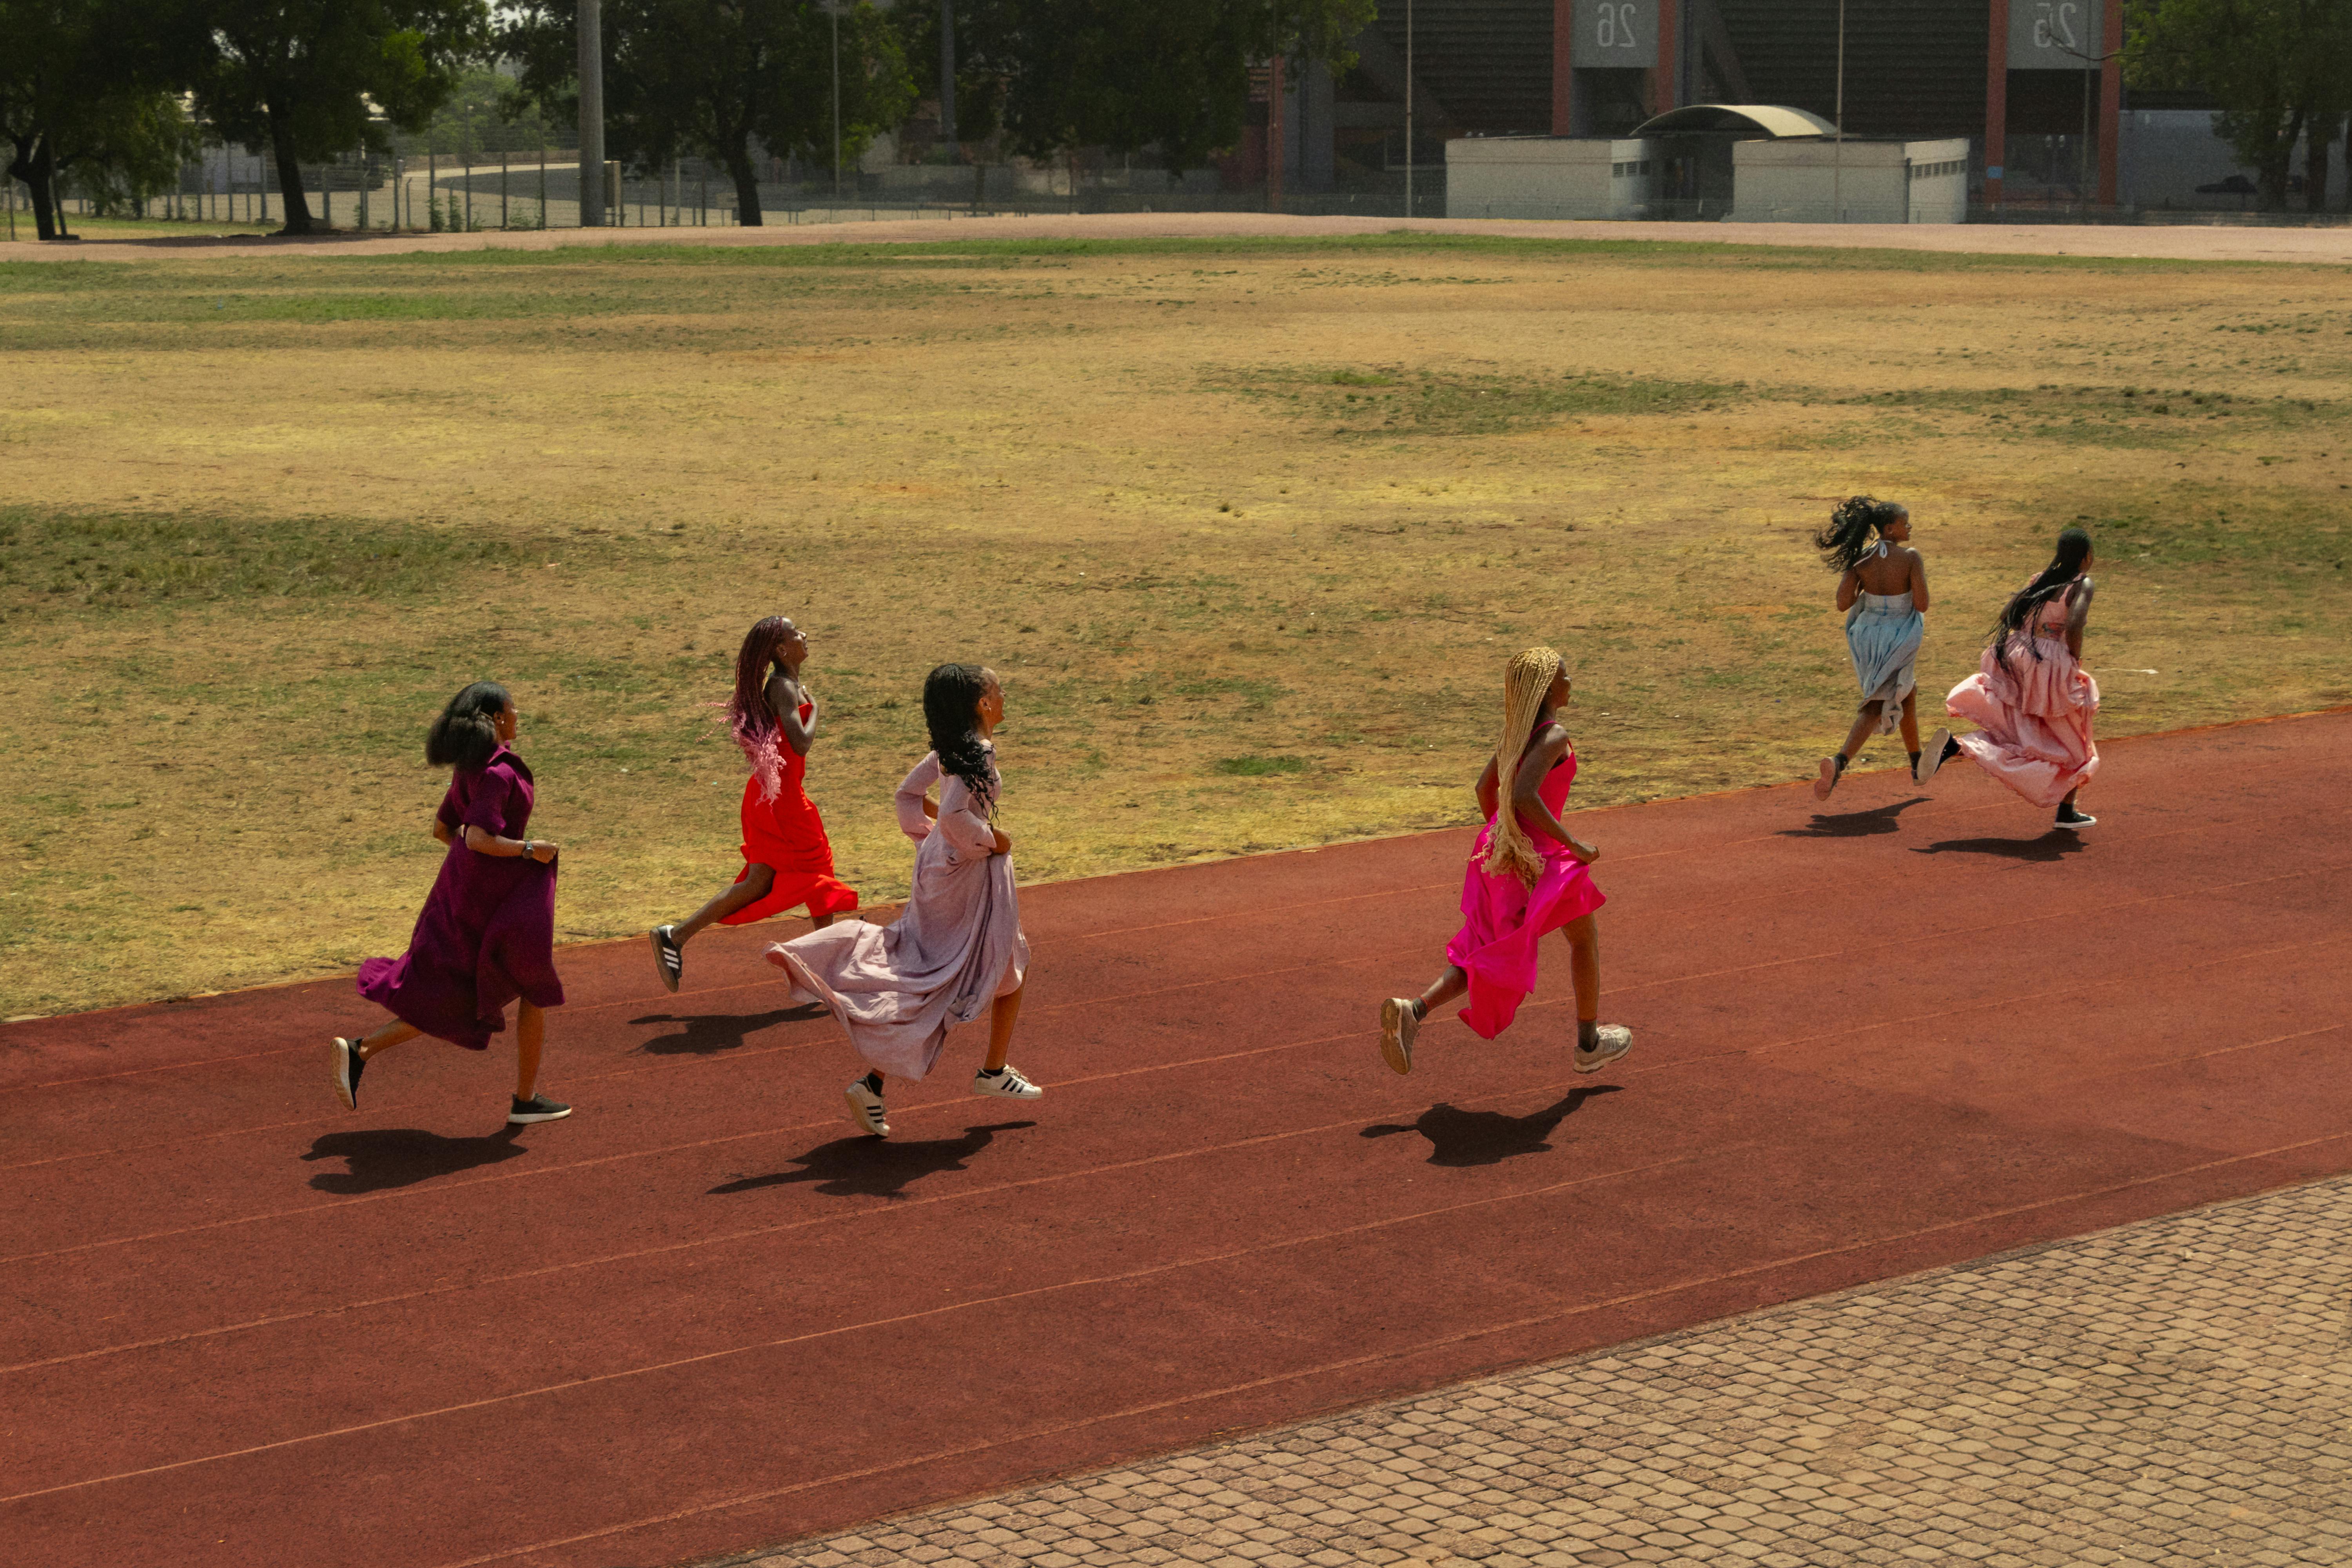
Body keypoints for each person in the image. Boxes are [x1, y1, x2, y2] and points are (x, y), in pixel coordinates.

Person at [766, 663, 1040, 1137]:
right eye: (998, 690)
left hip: (944, 870)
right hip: (965, 875)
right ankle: (975, 1074)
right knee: (945, 976)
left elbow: (908, 795)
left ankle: (980, 1071)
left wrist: (936, 835)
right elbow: (957, 817)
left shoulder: (952, 750)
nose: (1003, 696)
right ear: (982, 703)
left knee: (1000, 960)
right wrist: (996, 840)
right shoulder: (978, 752)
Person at [1379, 646, 1633, 1077]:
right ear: (1549, 686)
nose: (1571, 682)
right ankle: (1589, 1044)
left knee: (1488, 948)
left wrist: (1506, 838)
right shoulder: (1554, 736)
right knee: (1582, 940)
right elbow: (1522, 796)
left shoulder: (1516, 735)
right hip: (1543, 861)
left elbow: (1485, 790)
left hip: (1499, 855)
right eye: (1565, 676)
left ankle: (1414, 1010)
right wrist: (1572, 845)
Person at [334, 681, 571, 1125]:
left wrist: (469, 871)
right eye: (512, 708)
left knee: (465, 994)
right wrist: (526, 849)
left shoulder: (470, 767)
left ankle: (362, 1051)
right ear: (497, 718)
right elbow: (478, 836)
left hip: (465, 892)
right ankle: (524, 1100)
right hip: (495, 901)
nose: (518, 713)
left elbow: (446, 830)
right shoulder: (499, 772)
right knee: (519, 985)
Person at [649, 617, 858, 991]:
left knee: (761, 882)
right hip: (784, 800)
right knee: (818, 871)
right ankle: (827, 969)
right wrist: (818, 710)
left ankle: (675, 936)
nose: (805, 636)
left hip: (771, 794)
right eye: (797, 634)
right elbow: (800, 743)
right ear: (781, 649)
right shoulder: (782, 687)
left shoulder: (786, 684)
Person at [1921, 525, 2101, 828]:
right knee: (2073, 742)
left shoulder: (2039, 581)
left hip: (2017, 654)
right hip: (2052, 664)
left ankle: (1961, 747)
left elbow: (2008, 615)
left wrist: (2035, 630)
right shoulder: (2082, 584)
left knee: (2022, 732)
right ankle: (2066, 813)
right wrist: (2071, 656)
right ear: (2086, 556)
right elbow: (2077, 621)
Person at [1810, 496, 1932, 799]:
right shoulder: (1911, 557)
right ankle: (1839, 762)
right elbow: (1922, 604)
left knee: (1907, 690)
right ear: (1890, 529)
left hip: (1865, 634)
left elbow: (1842, 603)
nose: (1910, 527)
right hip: (1899, 634)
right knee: (1879, 701)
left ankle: (1917, 762)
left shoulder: (1860, 558)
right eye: (1905, 523)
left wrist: (1869, 594)